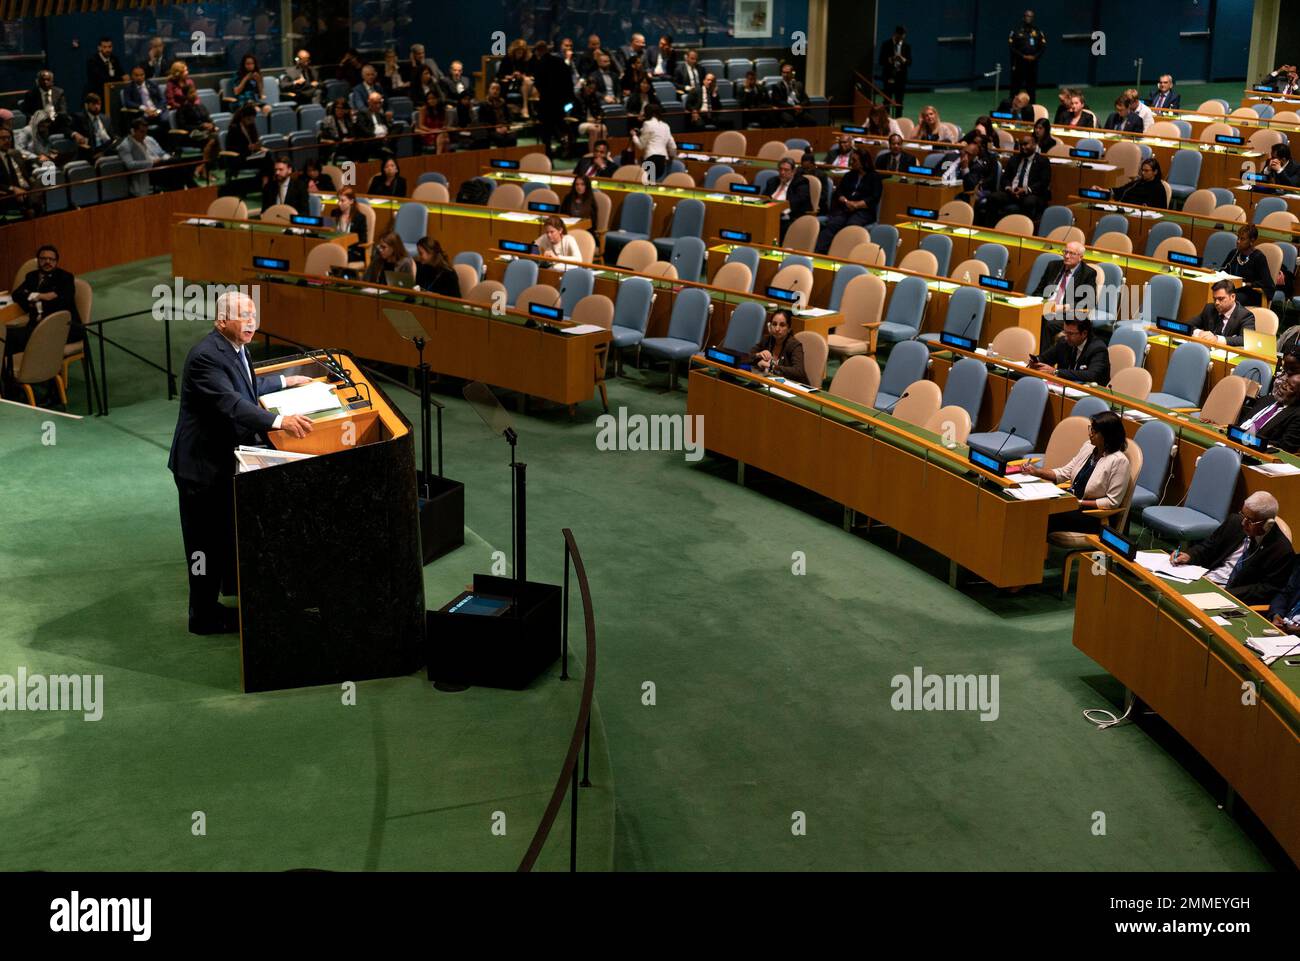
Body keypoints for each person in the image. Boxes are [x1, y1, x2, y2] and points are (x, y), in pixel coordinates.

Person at [167, 291, 314, 634]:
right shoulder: (205, 357)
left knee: (220, 536)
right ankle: (201, 617)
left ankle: (219, 598)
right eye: (243, 316)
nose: (251, 322)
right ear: (221, 321)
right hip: (200, 469)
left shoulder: (236, 347)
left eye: (253, 314)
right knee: (202, 546)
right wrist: (279, 422)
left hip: (221, 463)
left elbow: (247, 385)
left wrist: (285, 380)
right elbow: (231, 402)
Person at [1169, 492, 1292, 604]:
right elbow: (1208, 547)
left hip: (1231, 596)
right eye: (1243, 515)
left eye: (1250, 520)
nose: (1243, 523)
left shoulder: (1281, 550)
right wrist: (1189, 555)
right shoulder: (1234, 522)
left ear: (1268, 524)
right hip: (1204, 579)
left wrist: (1225, 593)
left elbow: (1265, 590)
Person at [1021, 411, 1130, 535]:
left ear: (1108, 435)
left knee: (1044, 516)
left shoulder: (1119, 461)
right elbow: (1064, 473)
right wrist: (1036, 472)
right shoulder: (1088, 447)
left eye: (1095, 431)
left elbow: (1112, 502)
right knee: (1033, 506)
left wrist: (1078, 502)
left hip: (1092, 515)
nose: (1090, 433)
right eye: (1091, 428)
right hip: (1071, 503)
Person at [8, 245, 81, 367]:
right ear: (38, 260)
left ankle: (35, 375)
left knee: (11, 338)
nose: (47, 262)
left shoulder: (65, 277)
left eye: (51, 259)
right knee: (5, 335)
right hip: (36, 326)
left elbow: (64, 300)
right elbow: (17, 294)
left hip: (61, 328)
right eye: (43, 258)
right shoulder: (31, 276)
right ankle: (14, 374)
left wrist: (37, 297)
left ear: (56, 262)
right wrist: (42, 296)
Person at [1234, 348, 1300, 452]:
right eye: (1285, 382)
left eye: (1290, 387)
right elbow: (1241, 425)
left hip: (1257, 453)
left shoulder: (1296, 415)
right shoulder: (1266, 400)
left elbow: (1285, 448)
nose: (1282, 386)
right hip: (1234, 442)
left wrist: (1251, 441)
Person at [815, 148, 880, 253]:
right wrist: (846, 201)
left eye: (854, 160)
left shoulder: (874, 177)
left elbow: (874, 198)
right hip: (845, 208)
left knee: (851, 225)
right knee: (833, 224)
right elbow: (839, 192)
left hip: (864, 211)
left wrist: (857, 205)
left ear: (863, 162)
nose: (851, 163)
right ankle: (819, 252)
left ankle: (843, 254)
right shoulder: (849, 175)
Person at [979, 134, 1050, 226]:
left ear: (1034, 145)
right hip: (1011, 193)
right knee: (993, 197)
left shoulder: (1043, 161)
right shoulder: (1014, 158)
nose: (1022, 147)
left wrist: (1026, 190)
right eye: (1021, 144)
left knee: (1029, 202)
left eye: (1026, 144)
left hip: (1030, 194)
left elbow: (1043, 182)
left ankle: (1024, 231)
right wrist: (1008, 188)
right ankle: (990, 228)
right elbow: (1005, 177)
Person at [1034, 241, 1095, 340]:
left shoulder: (1088, 273)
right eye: (1065, 252)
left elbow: (1088, 302)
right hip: (1045, 308)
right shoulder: (1053, 266)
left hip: (1068, 314)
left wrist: (1062, 308)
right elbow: (1038, 291)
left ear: (1081, 257)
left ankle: (1043, 355)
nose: (1067, 256)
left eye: (1072, 253)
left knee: (1048, 324)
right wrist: (1044, 303)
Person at [116, 117, 192, 196]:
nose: (144, 135)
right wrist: (151, 162)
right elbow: (130, 165)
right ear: (133, 131)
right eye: (141, 132)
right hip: (147, 172)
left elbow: (161, 153)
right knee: (177, 165)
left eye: (146, 132)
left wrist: (167, 158)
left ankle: (182, 194)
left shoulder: (149, 139)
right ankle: (190, 189)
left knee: (178, 164)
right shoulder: (125, 146)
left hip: (160, 165)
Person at [1030, 315, 1108, 384]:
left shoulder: (1098, 349)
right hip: (1065, 388)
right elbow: (1045, 358)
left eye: (1070, 334)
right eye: (1065, 332)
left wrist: (1055, 372)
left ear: (1084, 333)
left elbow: (1091, 375)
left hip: (1092, 394)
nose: (1066, 337)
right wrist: (1036, 361)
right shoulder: (1064, 342)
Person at [531, 40, 574, 158]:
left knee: (547, 130)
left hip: (547, 102)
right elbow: (569, 82)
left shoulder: (540, 64)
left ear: (539, 51)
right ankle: (567, 144)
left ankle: (548, 155)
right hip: (562, 101)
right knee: (561, 123)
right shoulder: (560, 62)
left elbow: (538, 83)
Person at [1217, 225, 1274, 309]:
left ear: (1252, 241)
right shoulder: (1234, 253)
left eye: (1242, 239)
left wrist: (1248, 284)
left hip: (1250, 294)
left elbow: (1267, 283)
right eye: (1238, 238)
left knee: (1227, 299)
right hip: (1232, 290)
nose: (1238, 241)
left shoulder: (1258, 257)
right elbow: (1223, 271)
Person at [1193, 279, 1255, 348]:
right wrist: (1199, 333)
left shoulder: (1245, 316)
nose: (1216, 303)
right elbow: (1188, 325)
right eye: (1214, 299)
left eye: (1221, 299)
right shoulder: (1209, 309)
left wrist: (1217, 339)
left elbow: (1246, 340)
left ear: (1232, 297)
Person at [763, 158, 812, 243]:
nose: (782, 173)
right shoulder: (772, 181)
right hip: (769, 214)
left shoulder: (801, 182)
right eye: (780, 169)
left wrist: (779, 210)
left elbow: (797, 201)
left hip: (789, 216)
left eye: (786, 170)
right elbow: (764, 197)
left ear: (793, 171)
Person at [751, 309, 807, 384]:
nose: (777, 329)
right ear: (770, 326)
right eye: (774, 324)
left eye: (782, 325)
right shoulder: (767, 340)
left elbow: (799, 372)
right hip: (771, 384)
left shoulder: (794, 346)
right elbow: (744, 357)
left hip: (793, 388)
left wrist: (772, 367)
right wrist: (758, 356)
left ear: (789, 328)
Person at [174, 89, 220, 178]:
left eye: (194, 92)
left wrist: (211, 125)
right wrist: (201, 126)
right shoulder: (181, 109)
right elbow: (183, 126)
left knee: (215, 140)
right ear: (185, 96)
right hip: (191, 136)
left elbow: (209, 119)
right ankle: (204, 171)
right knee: (212, 141)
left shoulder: (201, 106)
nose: (194, 94)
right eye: (191, 93)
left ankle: (201, 168)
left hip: (205, 133)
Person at [0, 126, 40, 218]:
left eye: (8, 138)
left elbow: (25, 172)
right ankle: (29, 207)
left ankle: (30, 205)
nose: (7, 140)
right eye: (2, 138)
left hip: (26, 188)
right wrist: (12, 189)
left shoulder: (15, 153)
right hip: (9, 193)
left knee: (45, 179)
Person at [1008, 9, 1047, 104]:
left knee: (1031, 88)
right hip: (1019, 63)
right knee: (1015, 87)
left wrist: (1035, 56)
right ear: (1023, 17)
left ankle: (1032, 107)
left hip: (1032, 64)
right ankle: (1011, 106)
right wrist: (1023, 56)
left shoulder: (1037, 32)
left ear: (1033, 18)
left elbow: (1042, 47)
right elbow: (1011, 47)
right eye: (1027, 16)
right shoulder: (1016, 31)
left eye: (1030, 16)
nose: (1028, 18)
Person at [630, 103, 676, 182]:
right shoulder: (665, 125)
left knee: (648, 184)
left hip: (651, 158)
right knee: (655, 183)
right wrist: (672, 156)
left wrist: (634, 136)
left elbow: (641, 145)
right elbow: (673, 146)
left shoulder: (647, 124)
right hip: (662, 160)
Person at [225, 102, 271, 178]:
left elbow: (254, 142)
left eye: (253, 119)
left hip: (250, 156)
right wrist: (248, 148)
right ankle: (265, 182)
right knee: (265, 160)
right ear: (243, 117)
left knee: (267, 154)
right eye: (249, 119)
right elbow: (231, 148)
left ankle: (265, 181)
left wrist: (258, 147)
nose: (252, 121)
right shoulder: (234, 128)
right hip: (238, 158)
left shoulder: (251, 126)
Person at [69, 92, 117, 163]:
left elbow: (112, 136)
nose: (97, 107)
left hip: (107, 149)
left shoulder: (106, 118)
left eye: (98, 104)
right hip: (91, 151)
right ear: (87, 105)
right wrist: (75, 134)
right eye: (94, 104)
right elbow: (66, 129)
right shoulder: (79, 118)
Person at [123, 65, 169, 137]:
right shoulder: (129, 87)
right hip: (142, 114)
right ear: (132, 76)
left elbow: (162, 99)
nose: (139, 77)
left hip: (156, 112)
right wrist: (144, 109)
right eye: (136, 75)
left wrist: (158, 111)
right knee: (141, 124)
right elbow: (127, 102)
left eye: (142, 75)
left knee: (166, 120)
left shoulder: (152, 84)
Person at [878, 25, 911, 119]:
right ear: (895, 34)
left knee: (899, 101)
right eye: (899, 37)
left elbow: (909, 62)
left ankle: (898, 120)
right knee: (887, 100)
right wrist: (892, 59)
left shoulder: (906, 46)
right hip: (889, 76)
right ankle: (887, 120)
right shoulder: (886, 44)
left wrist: (903, 60)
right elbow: (881, 60)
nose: (901, 39)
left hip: (901, 77)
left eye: (902, 38)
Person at [330, 187, 367, 262]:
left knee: (337, 257)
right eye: (338, 200)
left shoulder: (360, 218)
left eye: (342, 201)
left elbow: (363, 240)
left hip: (352, 251)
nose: (339, 203)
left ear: (351, 201)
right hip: (335, 248)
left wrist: (345, 243)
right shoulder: (334, 213)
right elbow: (329, 233)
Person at [355, 91, 395, 158]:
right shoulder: (362, 114)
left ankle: (385, 144)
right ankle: (384, 147)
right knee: (374, 142)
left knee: (399, 126)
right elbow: (364, 129)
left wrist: (389, 122)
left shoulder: (381, 115)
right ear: (369, 103)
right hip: (373, 138)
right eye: (375, 103)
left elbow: (388, 127)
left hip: (384, 136)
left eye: (380, 103)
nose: (378, 105)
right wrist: (376, 136)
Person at [320, 97, 360, 163]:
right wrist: (342, 140)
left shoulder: (347, 120)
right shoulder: (328, 120)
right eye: (337, 108)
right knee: (354, 148)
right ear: (334, 109)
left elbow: (354, 133)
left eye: (342, 109)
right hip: (337, 145)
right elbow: (324, 137)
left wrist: (351, 117)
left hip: (349, 144)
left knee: (361, 144)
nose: (340, 110)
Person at [85, 37, 126, 102]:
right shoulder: (93, 61)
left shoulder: (114, 59)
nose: (108, 50)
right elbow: (102, 79)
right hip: (97, 95)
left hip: (113, 93)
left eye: (110, 47)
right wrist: (120, 78)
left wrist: (124, 77)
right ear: (99, 48)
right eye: (104, 47)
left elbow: (122, 73)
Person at [770, 63, 810, 128]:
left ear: (792, 73)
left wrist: (800, 106)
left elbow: (806, 99)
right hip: (785, 110)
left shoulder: (798, 85)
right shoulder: (777, 86)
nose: (785, 75)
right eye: (783, 72)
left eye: (787, 73)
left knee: (811, 121)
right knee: (790, 121)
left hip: (798, 110)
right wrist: (793, 107)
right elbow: (778, 102)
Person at [799, 150, 831, 216]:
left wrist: (810, 199)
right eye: (803, 168)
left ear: (813, 165)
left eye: (808, 169)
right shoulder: (799, 173)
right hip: (801, 204)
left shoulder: (821, 175)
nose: (806, 172)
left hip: (818, 206)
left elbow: (824, 196)